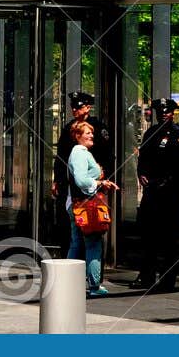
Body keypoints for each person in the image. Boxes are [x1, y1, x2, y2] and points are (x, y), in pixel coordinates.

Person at [134, 98, 179, 293]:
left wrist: (169, 181)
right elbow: (142, 158)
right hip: (152, 192)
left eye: (167, 111)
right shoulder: (150, 133)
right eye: (160, 112)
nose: (163, 114)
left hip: (171, 193)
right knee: (148, 235)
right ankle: (147, 276)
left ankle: (168, 279)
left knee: (169, 238)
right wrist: (141, 173)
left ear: (173, 113)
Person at [65, 119, 119, 296]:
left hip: (78, 203)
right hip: (85, 205)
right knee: (93, 243)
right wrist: (100, 181)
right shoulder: (80, 153)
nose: (91, 135)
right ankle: (94, 285)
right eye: (87, 133)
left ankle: (68, 282)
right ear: (77, 136)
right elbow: (81, 180)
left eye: (91, 133)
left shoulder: (80, 152)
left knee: (77, 242)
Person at [51, 91, 115, 230]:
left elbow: (108, 155)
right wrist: (57, 180)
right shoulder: (69, 128)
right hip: (70, 184)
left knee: (91, 226)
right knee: (68, 226)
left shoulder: (97, 128)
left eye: (78, 106)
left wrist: (104, 173)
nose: (74, 109)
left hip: (91, 184)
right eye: (72, 106)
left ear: (87, 107)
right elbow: (61, 156)